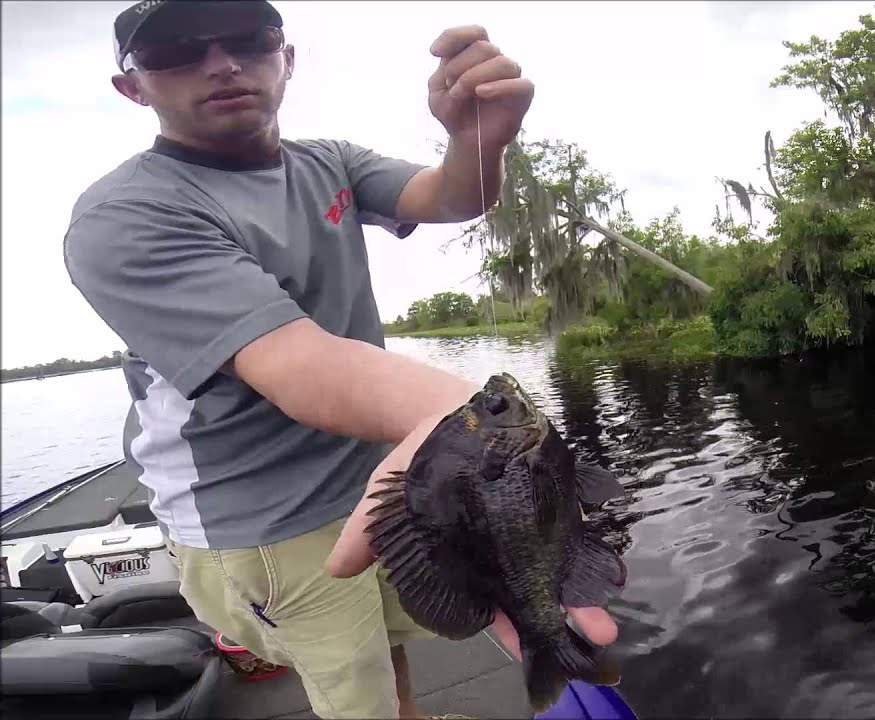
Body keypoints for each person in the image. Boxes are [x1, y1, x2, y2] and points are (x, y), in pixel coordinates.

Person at [61, 1, 618, 718]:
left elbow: (453, 194)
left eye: (248, 40)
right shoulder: (127, 217)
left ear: (285, 58)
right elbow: (301, 367)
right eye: (176, 50)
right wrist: (466, 416)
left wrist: (479, 140)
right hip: (264, 520)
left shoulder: (327, 162)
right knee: (355, 698)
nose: (222, 63)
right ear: (132, 87)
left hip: (372, 483)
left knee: (387, 652)